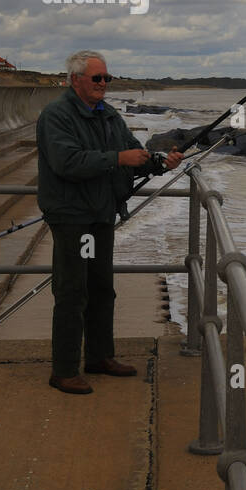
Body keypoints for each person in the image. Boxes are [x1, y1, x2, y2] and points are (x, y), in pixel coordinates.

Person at [36, 50, 181, 394]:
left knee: (102, 288)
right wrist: (117, 158)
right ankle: (64, 369)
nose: (104, 84)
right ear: (75, 80)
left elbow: (134, 154)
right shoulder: (56, 115)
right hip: (73, 216)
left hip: (101, 213)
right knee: (72, 291)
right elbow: (66, 162)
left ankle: (100, 357)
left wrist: (161, 163)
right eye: (97, 78)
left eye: (107, 79)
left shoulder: (109, 115)